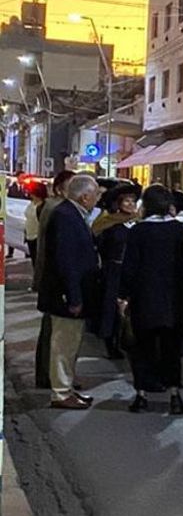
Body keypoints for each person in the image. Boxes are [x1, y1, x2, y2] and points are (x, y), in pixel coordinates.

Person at [120, 186, 183, 414]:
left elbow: (129, 267)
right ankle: (175, 394)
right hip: (174, 299)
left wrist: (123, 295)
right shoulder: (182, 229)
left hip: (144, 298)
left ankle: (141, 394)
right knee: (172, 349)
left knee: (142, 348)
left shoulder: (138, 231)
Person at [38, 173, 101, 410]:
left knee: (70, 344)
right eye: (95, 194)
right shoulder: (66, 216)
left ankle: (66, 388)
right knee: (64, 344)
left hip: (71, 292)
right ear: (84, 197)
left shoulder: (71, 213)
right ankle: (61, 392)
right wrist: (73, 296)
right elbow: (66, 261)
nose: (97, 199)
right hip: (65, 295)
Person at [34, 170, 76, 389]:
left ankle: (48, 375)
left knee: (51, 330)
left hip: (49, 278)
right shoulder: (57, 209)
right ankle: (50, 376)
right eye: (71, 186)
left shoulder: (53, 207)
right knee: (55, 332)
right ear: (60, 189)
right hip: (54, 280)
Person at [90, 181, 141, 360]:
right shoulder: (108, 223)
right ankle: (110, 342)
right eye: (126, 201)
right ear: (118, 203)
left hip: (132, 270)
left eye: (133, 201)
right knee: (111, 307)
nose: (130, 204)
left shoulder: (138, 223)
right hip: (113, 269)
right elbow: (99, 244)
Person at [22, 179, 47, 264]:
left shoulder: (43, 207)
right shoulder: (31, 203)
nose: (30, 194)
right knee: (34, 260)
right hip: (29, 236)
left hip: (38, 238)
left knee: (38, 261)